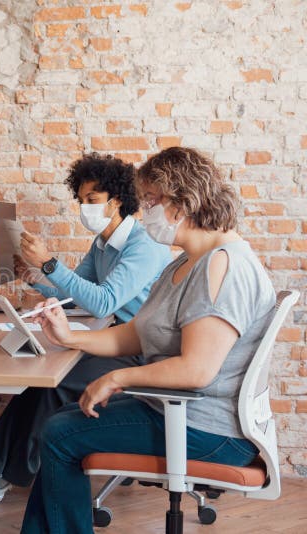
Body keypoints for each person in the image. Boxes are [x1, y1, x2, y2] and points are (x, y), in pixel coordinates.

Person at [20, 146, 275, 533]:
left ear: (184, 201)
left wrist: (115, 378)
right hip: (176, 414)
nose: (144, 211)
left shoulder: (224, 266)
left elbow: (196, 369)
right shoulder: (185, 260)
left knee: (59, 433)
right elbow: (137, 334)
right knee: (59, 423)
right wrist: (70, 337)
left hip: (209, 429)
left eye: (152, 200)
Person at [0, 153, 172, 503]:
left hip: (141, 351)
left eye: (93, 201)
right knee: (41, 381)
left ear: (117, 200)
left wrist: (50, 262)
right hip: (117, 338)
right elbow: (79, 296)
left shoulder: (143, 244)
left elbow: (103, 302)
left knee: (52, 384)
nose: (85, 208)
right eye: (82, 200)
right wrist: (36, 279)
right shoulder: (103, 243)